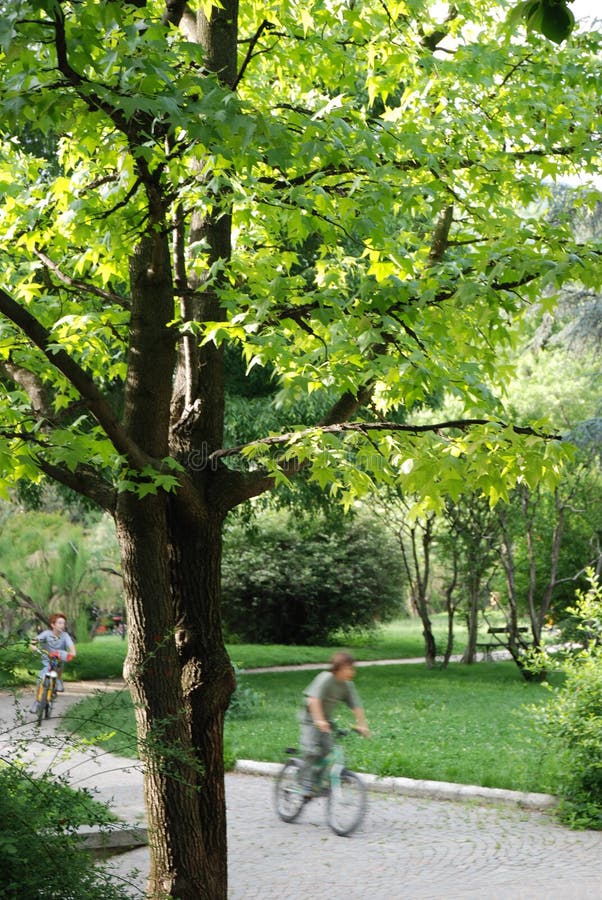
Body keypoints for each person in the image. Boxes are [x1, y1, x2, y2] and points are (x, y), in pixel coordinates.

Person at [299, 651, 369, 798]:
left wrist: (362, 725)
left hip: (326, 720)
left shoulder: (347, 685)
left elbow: (356, 705)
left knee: (327, 750)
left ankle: (318, 781)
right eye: (349, 668)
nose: (352, 672)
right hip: (310, 718)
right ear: (338, 668)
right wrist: (318, 720)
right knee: (311, 750)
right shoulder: (325, 678)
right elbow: (313, 700)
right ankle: (305, 782)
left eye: (352, 668)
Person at [30, 612, 76, 699]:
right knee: (40, 678)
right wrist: (34, 646)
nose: (62, 625)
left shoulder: (65, 635)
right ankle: (38, 701)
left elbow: (71, 646)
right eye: (59, 623)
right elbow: (34, 641)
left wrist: (72, 652)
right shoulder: (46, 634)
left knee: (59, 666)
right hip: (47, 658)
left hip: (59, 658)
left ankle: (58, 680)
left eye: (63, 623)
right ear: (53, 625)